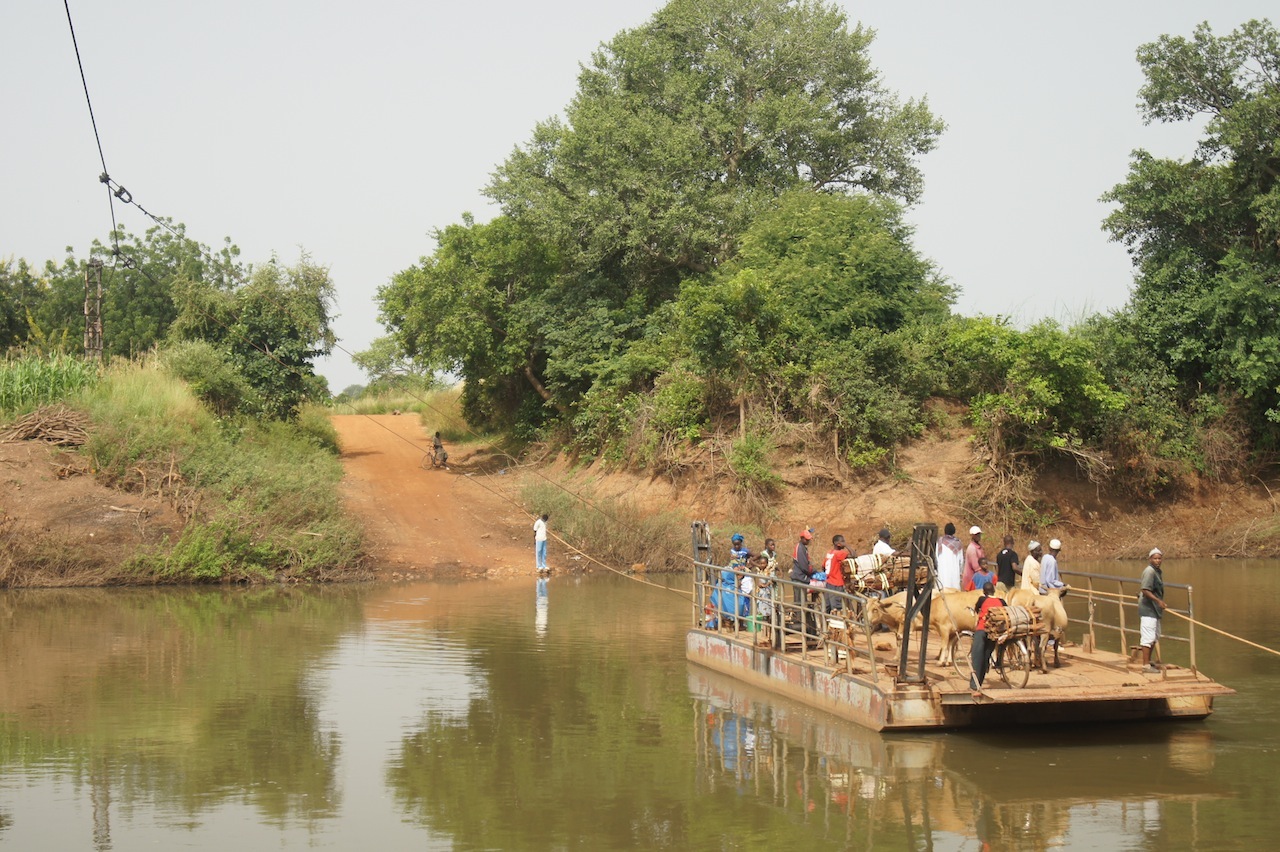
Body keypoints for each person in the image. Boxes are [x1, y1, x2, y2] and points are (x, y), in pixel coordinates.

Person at [970, 581, 1008, 696]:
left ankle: (974, 686)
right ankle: (980, 682)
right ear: (994, 591)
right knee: (986, 656)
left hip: (982, 629)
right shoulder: (1002, 601)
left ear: (984, 592)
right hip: (994, 633)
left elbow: (976, 609)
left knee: (977, 657)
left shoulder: (982, 599)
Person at [1139, 547, 1166, 672]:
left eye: (1159, 558)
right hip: (1148, 609)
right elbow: (1145, 590)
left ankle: (1148, 661)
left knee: (1155, 636)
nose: (1157, 561)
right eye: (1155, 558)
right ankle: (1145, 665)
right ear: (1150, 559)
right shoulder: (1149, 571)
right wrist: (1158, 601)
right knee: (1148, 637)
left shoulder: (1157, 571)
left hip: (1155, 610)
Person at [823, 534, 851, 613]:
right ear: (836, 543)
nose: (843, 543)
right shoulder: (839, 553)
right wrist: (846, 545)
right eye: (842, 541)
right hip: (836, 583)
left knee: (828, 605)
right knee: (837, 606)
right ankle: (836, 620)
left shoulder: (829, 553)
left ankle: (827, 620)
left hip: (828, 582)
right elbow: (854, 555)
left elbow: (823, 566)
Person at [936, 523, 964, 591]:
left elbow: (936, 557)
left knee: (942, 590)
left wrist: (937, 569)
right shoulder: (958, 543)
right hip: (955, 572)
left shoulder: (940, 542)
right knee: (954, 591)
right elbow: (961, 561)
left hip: (942, 571)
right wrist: (960, 571)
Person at [962, 526, 986, 591]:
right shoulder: (972, 548)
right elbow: (976, 567)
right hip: (971, 578)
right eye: (976, 534)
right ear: (972, 536)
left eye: (979, 534)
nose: (978, 536)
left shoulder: (979, 547)